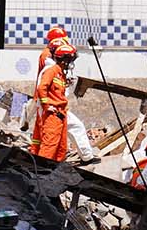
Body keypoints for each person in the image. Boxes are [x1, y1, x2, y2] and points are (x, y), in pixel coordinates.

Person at [23, 23, 99, 163]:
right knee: (54, 138)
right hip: (52, 106)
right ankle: (84, 157)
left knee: (55, 140)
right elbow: (43, 86)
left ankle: (42, 160)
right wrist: (47, 105)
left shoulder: (55, 66)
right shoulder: (50, 65)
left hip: (56, 105)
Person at [30, 37, 76, 162]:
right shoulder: (51, 71)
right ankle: (42, 169)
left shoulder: (60, 74)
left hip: (61, 113)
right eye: (70, 60)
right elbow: (41, 88)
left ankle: (55, 168)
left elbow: (56, 91)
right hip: (53, 114)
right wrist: (46, 106)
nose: (71, 63)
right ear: (64, 60)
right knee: (49, 145)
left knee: (61, 146)